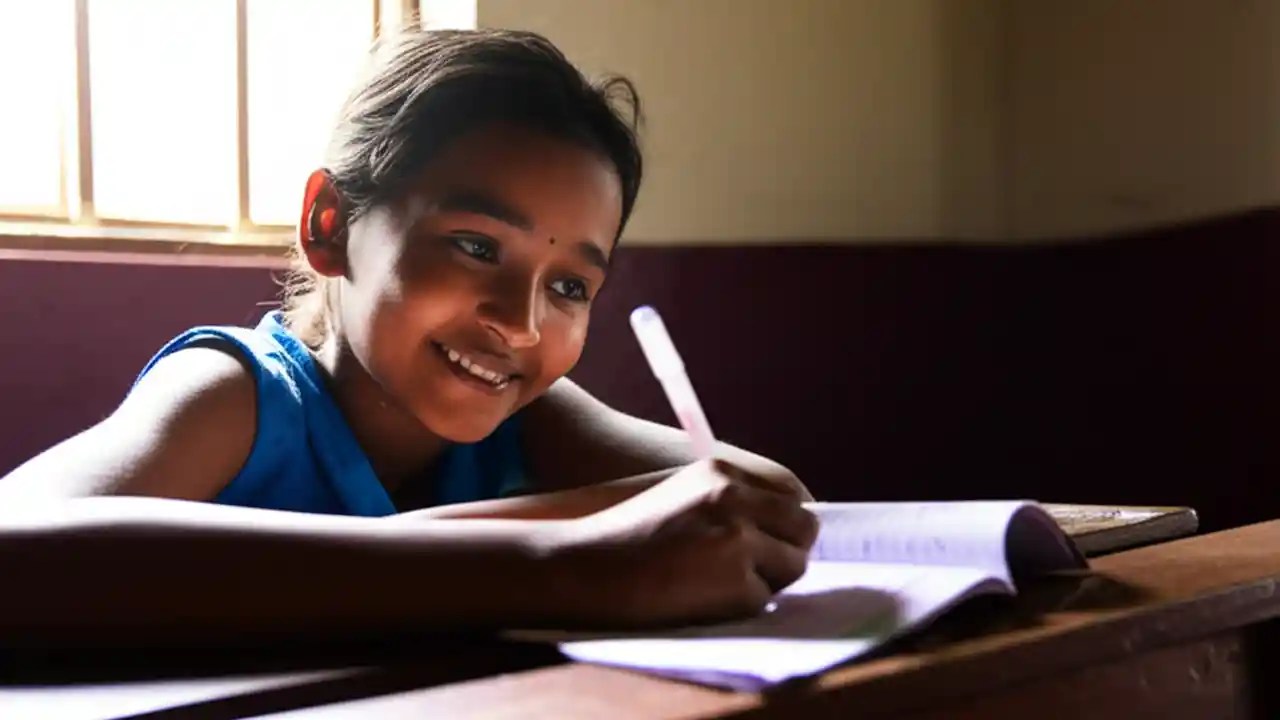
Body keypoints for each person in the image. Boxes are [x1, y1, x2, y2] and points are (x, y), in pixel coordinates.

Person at [0, 27, 817, 646]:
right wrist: (560, 564)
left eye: (569, 287)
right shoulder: (241, 398)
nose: (521, 323)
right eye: (475, 246)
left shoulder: (526, 411)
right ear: (330, 224)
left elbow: (767, 500)